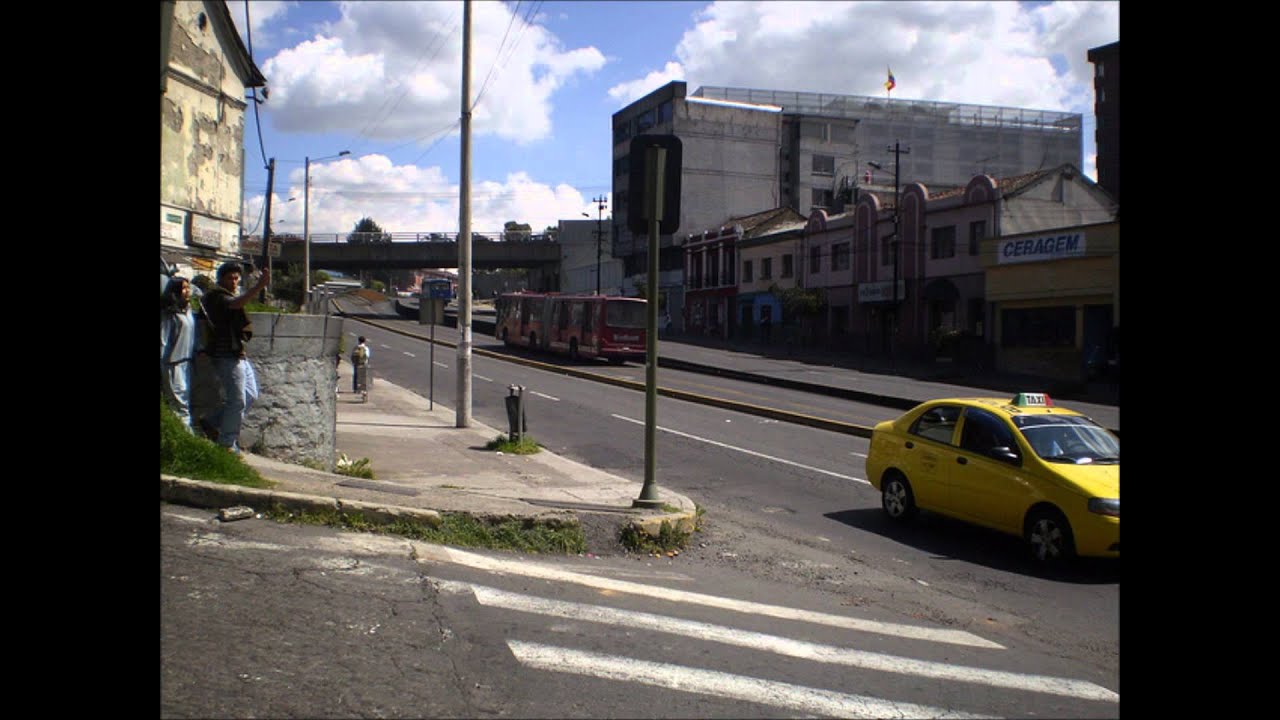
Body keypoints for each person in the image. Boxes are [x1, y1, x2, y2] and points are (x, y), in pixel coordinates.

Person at [198, 261, 270, 453]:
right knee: (237, 400)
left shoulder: (226, 296)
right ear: (221, 279)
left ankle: (213, 422)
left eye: (237, 278)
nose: (234, 282)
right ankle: (227, 443)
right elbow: (236, 304)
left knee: (250, 394)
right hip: (225, 355)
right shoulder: (217, 297)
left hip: (238, 354)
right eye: (230, 278)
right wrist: (259, 286)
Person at [161, 276, 197, 430]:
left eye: (188, 288)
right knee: (179, 404)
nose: (187, 291)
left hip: (186, 362)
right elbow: (162, 341)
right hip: (173, 364)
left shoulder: (187, 310)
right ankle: (186, 438)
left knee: (184, 401)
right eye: (183, 288)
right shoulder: (169, 314)